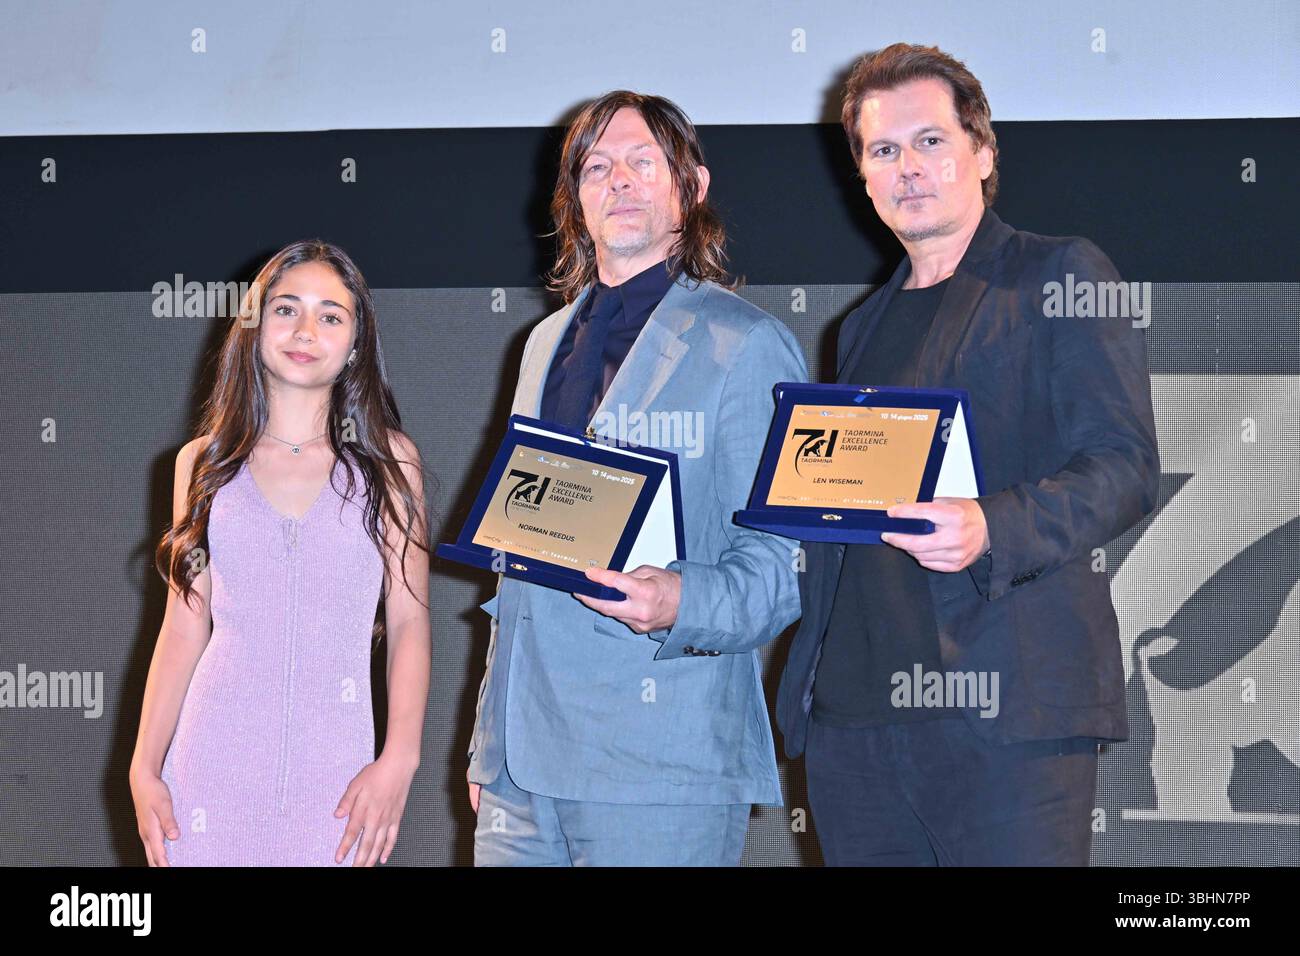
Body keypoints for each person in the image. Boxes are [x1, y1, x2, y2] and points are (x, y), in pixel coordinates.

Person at [776, 44, 1161, 866]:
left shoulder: (1060, 272)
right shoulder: (858, 328)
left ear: (982, 153)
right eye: (883, 151)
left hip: (1004, 718)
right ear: (864, 177)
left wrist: (992, 525)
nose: (907, 167)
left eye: (930, 141)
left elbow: (1124, 466)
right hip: (855, 726)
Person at [467, 91, 808, 866]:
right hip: (520, 770)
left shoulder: (747, 345)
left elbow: (781, 570)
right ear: (575, 200)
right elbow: (518, 564)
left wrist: (675, 599)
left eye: (641, 161)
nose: (618, 180)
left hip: (660, 765)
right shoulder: (542, 342)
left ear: (691, 187)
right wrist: (490, 744)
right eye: (596, 167)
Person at [130, 239, 432, 866]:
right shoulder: (204, 463)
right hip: (209, 769)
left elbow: (409, 619)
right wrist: (143, 767)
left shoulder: (389, 463)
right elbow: (184, 627)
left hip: (340, 784)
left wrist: (400, 758)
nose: (305, 330)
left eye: (331, 315)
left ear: (355, 344)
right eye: (286, 308)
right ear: (255, 325)